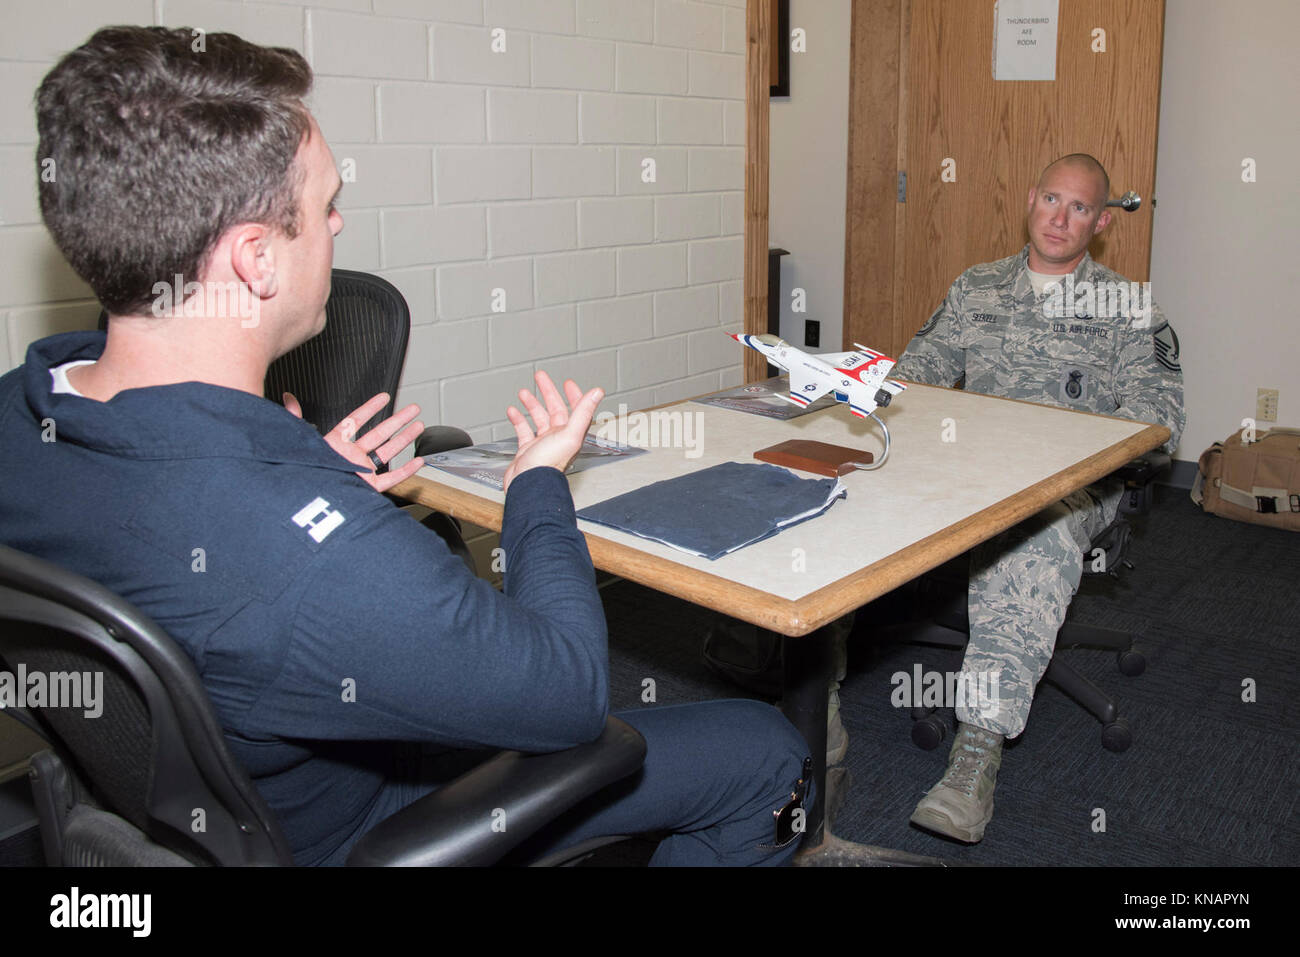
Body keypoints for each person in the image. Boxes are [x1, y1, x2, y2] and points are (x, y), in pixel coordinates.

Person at [0, 25, 812, 866]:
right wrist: (537, 481)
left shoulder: (23, 414)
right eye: (325, 204)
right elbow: (573, 693)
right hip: (363, 822)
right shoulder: (324, 563)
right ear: (254, 260)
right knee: (766, 753)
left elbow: (194, 523)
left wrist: (304, 468)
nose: (339, 223)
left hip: (200, 794)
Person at [892, 153, 1185, 843]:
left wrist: (1063, 461)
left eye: (1079, 207)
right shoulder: (978, 287)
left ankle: (974, 755)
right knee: (851, 488)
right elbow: (914, 375)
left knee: (1029, 537)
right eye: (1051, 199)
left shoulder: (1128, 306)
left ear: (1102, 221)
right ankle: (812, 688)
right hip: (970, 466)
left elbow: (1159, 426)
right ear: (1030, 199)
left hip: (1069, 488)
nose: (1060, 217)